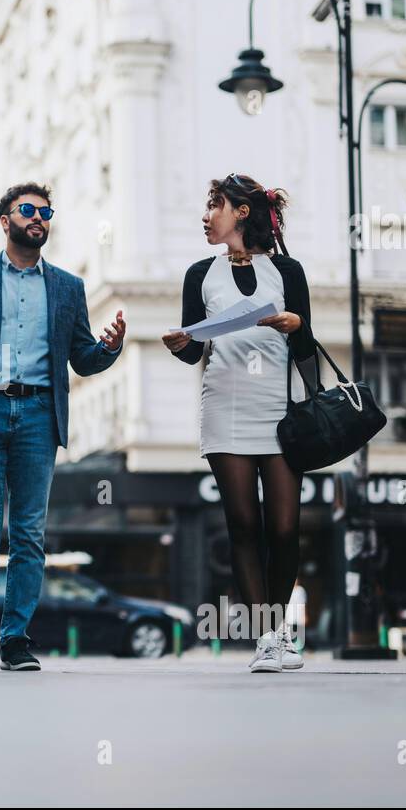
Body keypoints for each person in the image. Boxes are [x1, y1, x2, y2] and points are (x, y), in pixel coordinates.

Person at [0, 182, 125, 672]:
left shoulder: (67, 286)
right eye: (28, 210)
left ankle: (15, 639)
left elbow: (82, 358)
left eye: (46, 211)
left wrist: (110, 348)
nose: (39, 217)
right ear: (5, 220)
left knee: (29, 533)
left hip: (40, 413)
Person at [161, 173, 317, 673]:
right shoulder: (198, 275)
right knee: (244, 524)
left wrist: (296, 325)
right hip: (225, 408)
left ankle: (282, 628)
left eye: (215, 205)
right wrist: (183, 346)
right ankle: (268, 638)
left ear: (242, 212)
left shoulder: (288, 271)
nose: (206, 215)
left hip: (281, 409)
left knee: (286, 528)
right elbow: (194, 353)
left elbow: (305, 347)